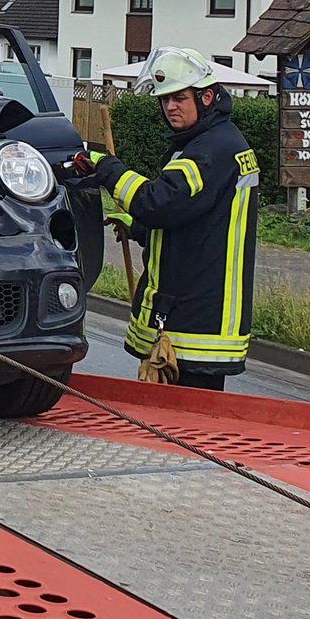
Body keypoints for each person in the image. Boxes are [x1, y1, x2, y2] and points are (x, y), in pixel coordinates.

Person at [66, 47, 260, 390]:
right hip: (203, 310)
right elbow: (191, 218)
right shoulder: (215, 142)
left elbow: (157, 203)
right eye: (165, 99)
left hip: (198, 321)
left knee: (183, 430)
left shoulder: (209, 151)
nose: (170, 107)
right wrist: (137, 227)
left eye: (179, 98)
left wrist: (106, 168)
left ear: (207, 96)